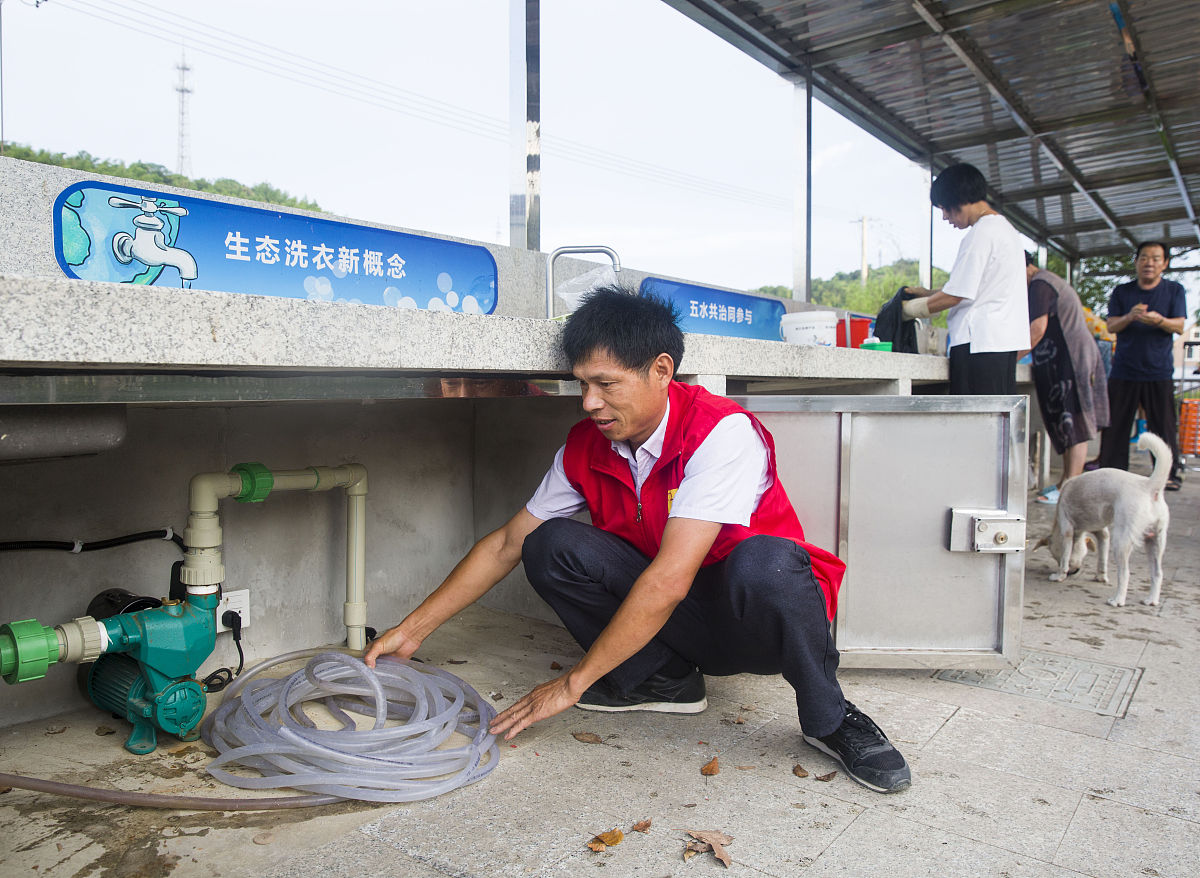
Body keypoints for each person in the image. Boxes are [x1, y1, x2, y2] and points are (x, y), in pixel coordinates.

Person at [365, 285, 911, 794]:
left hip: (755, 622)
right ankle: (664, 680)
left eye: (606, 384)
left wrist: (573, 684)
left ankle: (830, 718)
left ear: (661, 370)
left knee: (765, 562)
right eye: (582, 384)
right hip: (679, 618)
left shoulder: (720, 432)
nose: (589, 402)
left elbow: (670, 578)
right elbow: (507, 543)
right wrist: (410, 631)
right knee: (549, 543)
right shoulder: (586, 446)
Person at [900, 163, 1029, 394]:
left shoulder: (981, 234)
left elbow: (955, 295)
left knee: (974, 415)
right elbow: (977, 287)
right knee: (994, 413)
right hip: (998, 344)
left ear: (958, 200)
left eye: (945, 209)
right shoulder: (1005, 230)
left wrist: (906, 310)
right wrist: (928, 293)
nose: (944, 217)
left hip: (978, 345)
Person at [1097, 241, 1187, 491]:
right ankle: (1112, 474)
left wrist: (1159, 320)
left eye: (1156, 258)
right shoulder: (1122, 292)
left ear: (1164, 264)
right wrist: (1130, 316)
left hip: (1159, 371)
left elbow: (1179, 326)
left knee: (1164, 426)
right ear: (1136, 262)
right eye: (1144, 257)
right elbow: (1111, 326)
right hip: (1124, 370)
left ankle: (1168, 475)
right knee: (1115, 427)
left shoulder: (1174, 290)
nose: (1149, 263)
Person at [1023, 254, 1110, 504]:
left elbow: (1037, 329)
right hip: (1066, 358)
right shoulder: (1046, 281)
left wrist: (1010, 358)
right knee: (1065, 420)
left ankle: (1070, 489)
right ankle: (1065, 482)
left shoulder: (1040, 283)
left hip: (1071, 359)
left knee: (1073, 420)